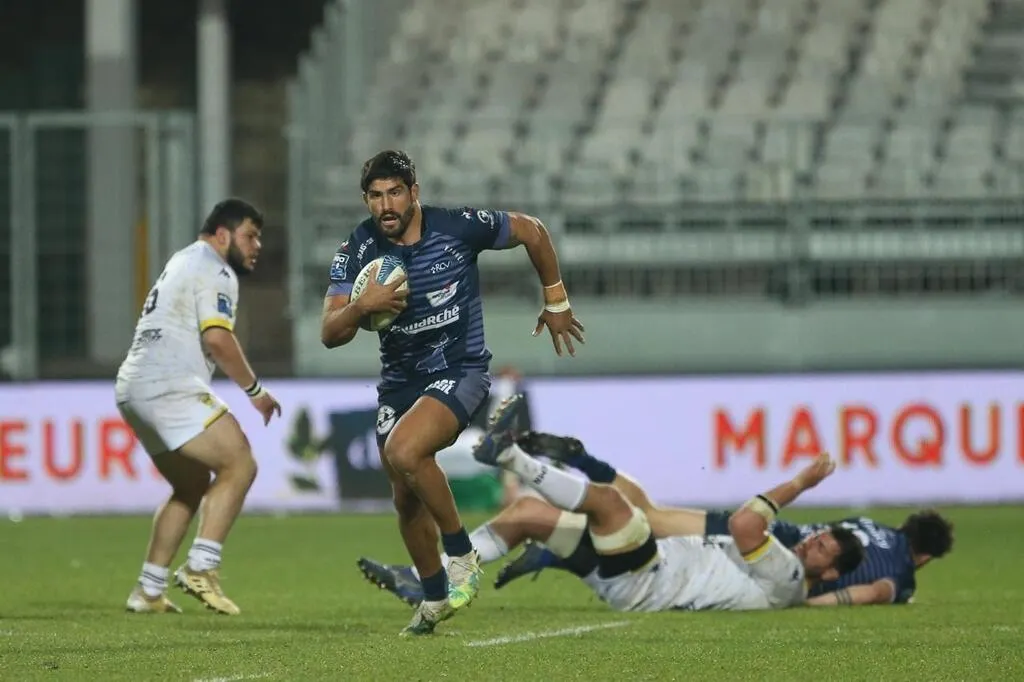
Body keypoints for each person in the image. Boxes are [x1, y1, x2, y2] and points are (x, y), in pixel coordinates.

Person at [319, 151, 585, 635]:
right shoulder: (355, 249)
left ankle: (461, 557)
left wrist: (557, 300)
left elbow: (532, 230)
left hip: (460, 370)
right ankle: (436, 597)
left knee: (405, 449)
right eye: (376, 196)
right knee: (405, 498)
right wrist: (362, 307)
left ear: (414, 192)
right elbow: (329, 332)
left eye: (395, 192)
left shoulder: (458, 227)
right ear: (366, 201)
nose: (386, 205)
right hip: (400, 384)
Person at [363, 396, 864, 614]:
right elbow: (652, 510)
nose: (816, 540)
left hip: (650, 581)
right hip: (635, 569)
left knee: (606, 506)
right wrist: (585, 459)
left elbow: (747, 521)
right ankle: (427, 581)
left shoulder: (789, 579)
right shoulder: (751, 550)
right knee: (525, 516)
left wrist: (800, 481)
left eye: (826, 548)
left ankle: (510, 456)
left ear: (830, 572)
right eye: (823, 534)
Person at [116, 198, 281, 616]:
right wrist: (255, 390)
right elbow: (218, 339)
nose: (257, 245)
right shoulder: (214, 268)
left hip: (133, 386)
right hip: (168, 383)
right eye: (250, 235)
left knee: (190, 486)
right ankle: (202, 567)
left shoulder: (184, 259)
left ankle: (148, 590)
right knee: (240, 464)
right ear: (222, 235)